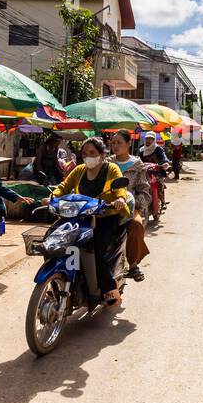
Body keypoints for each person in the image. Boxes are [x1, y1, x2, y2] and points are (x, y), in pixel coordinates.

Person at [50, 137, 130, 307]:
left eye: (92, 153)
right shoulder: (79, 170)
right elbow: (64, 186)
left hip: (106, 216)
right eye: (85, 153)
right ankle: (58, 280)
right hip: (81, 217)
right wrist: (52, 197)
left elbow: (120, 189)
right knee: (52, 240)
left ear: (101, 154)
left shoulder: (111, 168)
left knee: (95, 250)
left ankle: (108, 289)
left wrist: (120, 199)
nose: (88, 157)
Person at [108, 129, 151, 281]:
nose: (115, 145)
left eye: (119, 142)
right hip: (108, 205)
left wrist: (135, 205)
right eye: (113, 142)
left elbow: (145, 191)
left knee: (136, 225)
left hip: (130, 208)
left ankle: (133, 265)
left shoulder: (138, 165)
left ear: (128, 143)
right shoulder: (107, 163)